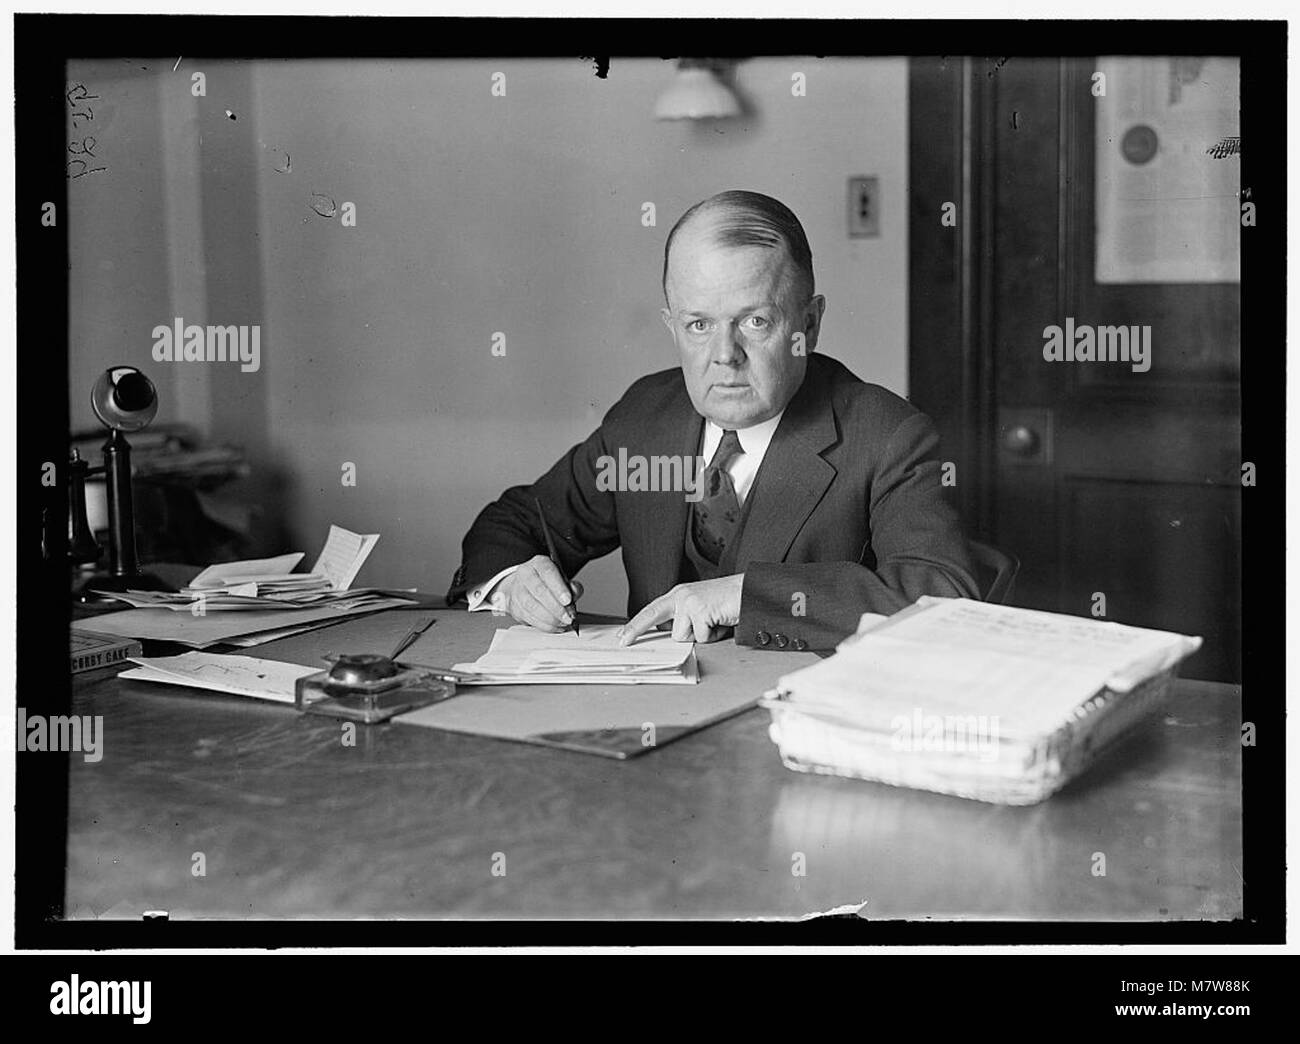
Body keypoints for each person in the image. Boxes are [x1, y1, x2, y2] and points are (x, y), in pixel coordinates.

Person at [447, 190, 978, 650]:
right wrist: (514, 579)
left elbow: (942, 596)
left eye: (755, 321)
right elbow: (516, 521)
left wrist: (745, 595)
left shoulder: (886, 436)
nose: (725, 354)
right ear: (671, 325)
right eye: (698, 323)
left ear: (809, 325)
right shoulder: (645, 418)